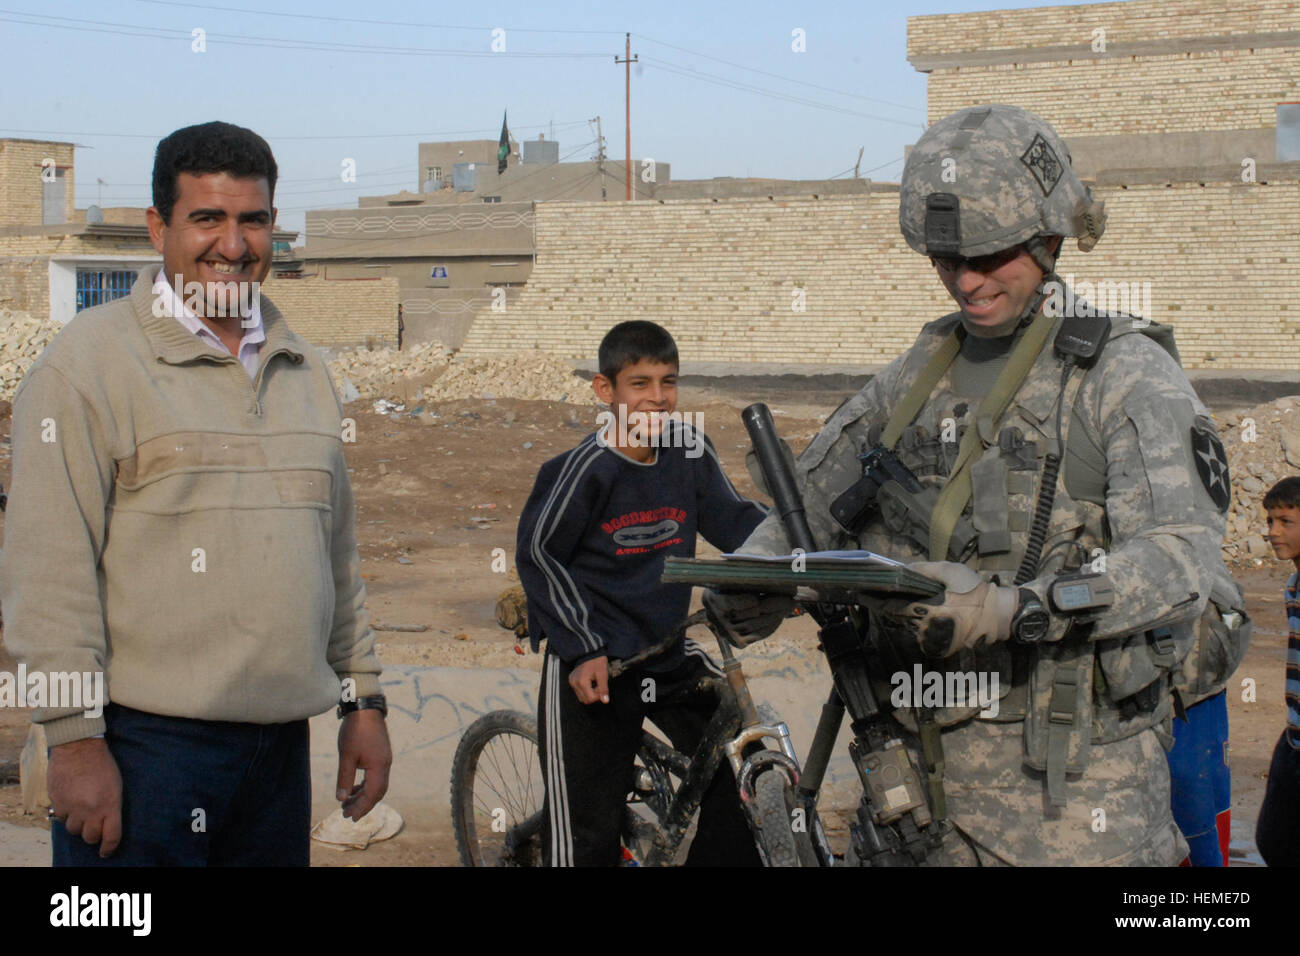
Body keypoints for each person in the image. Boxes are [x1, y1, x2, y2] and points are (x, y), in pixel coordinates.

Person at [707, 104, 1247, 866]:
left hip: (1072, 811)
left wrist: (1013, 609)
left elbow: (1178, 562)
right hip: (911, 800)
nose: (966, 281)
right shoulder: (916, 373)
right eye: (945, 259)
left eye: (990, 258)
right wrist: (758, 579)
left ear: (1050, 239)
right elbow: (812, 504)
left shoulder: (1123, 375)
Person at [0, 121, 391, 866]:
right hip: (142, 753)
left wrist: (362, 702)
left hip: (277, 756)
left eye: (253, 220)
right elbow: (47, 572)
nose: (233, 245)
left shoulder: (303, 368)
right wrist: (72, 740)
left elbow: (335, 559)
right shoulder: (86, 367)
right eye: (207, 218)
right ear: (159, 228)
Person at [515, 320, 767, 866]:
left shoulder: (689, 451)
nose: (657, 397)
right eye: (640, 383)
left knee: (746, 769)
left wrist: (799, 553)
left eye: (667, 382)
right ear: (605, 390)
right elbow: (539, 554)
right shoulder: (583, 471)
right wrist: (582, 648)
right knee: (587, 831)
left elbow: (737, 522)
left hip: (667, 650)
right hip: (597, 664)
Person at [1255, 475, 1300, 866]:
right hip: (1293, 737)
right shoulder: (1292, 587)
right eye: (1271, 521)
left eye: (1286, 522)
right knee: (1272, 841)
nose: (1273, 531)